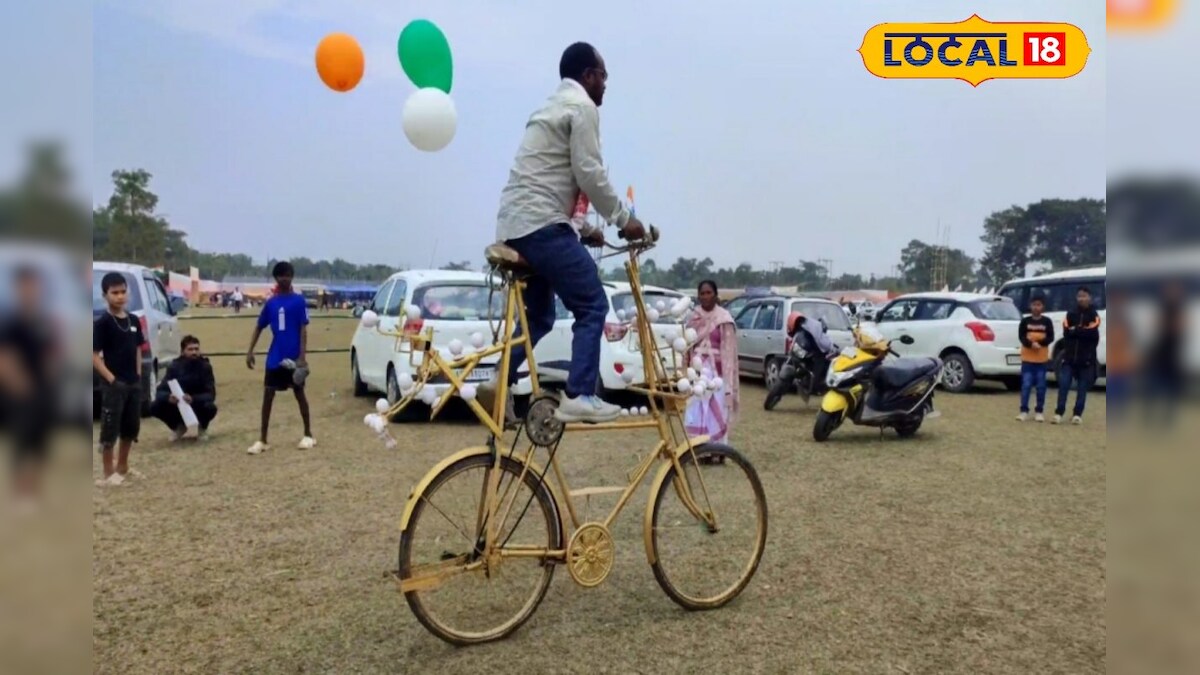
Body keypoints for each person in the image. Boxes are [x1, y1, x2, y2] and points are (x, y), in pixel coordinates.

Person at [491, 41, 647, 423]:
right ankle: (579, 394)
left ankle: (499, 378)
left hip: (517, 225)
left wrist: (587, 230)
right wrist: (624, 219)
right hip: (541, 225)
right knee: (593, 303)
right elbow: (589, 173)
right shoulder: (583, 108)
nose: (606, 85)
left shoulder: (549, 107)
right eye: (604, 77)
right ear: (589, 76)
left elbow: (552, 179)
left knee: (540, 318)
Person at [0, 265, 57, 505]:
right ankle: (20, 492)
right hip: (19, 391)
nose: (30, 290)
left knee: (40, 442)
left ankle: (34, 490)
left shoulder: (43, 320)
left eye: (34, 285)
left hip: (43, 389)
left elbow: (52, 351)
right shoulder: (11, 322)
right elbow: (4, 356)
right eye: (25, 285)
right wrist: (19, 385)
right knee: (21, 441)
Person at [245, 261, 315, 454]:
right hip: (275, 357)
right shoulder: (271, 303)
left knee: (299, 394)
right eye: (281, 275)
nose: (285, 278)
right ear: (276, 278)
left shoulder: (299, 301)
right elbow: (259, 326)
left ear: (292, 277)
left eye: (288, 275)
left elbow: (303, 329)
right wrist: (250, 351)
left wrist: (302, 356)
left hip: (293, 357)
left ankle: (308, 434)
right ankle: (263, 439)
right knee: (268, 396)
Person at [92, 272, 146, 486]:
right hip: (114, 383)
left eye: (123, 292)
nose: (120, 296)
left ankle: (123, 466)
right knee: (110, 427)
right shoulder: (103, 323)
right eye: (114, 293)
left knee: (130, 427)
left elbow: (138, 349)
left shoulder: (133, 321)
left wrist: (138, 374)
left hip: (133, 382)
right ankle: (107, 473)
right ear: (105, 295)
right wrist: (111, 379)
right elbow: (94, 356)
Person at [684, 280, 740, 463]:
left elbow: (729, 351)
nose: (706, 296)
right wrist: (685, 370)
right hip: (697, 372)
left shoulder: (724, 319)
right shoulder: (694, 318)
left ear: (715, 295)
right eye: (702, 293)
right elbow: (686, 346)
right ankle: (698, 451)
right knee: (697, 411)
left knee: (716, 412)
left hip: (717, 374)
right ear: (698, 296)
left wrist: (729, 381)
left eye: (709, 293)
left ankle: (718, 451)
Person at [150, 335, 218, 441]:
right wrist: (168, 397)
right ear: (182, 351)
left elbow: (211, 394)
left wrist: (193, 399)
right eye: (190, 349)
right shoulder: (174, 367)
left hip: (197, 404)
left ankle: (203, 427)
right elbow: (160, 391)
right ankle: (178, 426)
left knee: (210, 407)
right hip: (178, 406)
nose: (194, 352)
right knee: (154, 406)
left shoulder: (205, 367)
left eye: (196, 349)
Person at [1054, 286, 1101, 425]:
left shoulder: (1094, 315)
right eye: (1079, 296)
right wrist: (1078, 331)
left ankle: (1077, 414)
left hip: (1086, 359)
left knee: (1082, 388)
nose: (1082, 298)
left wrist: (1077, 331)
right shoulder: (1070, 313)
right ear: (1076, 298)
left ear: (1090, 297)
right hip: (1069, 358)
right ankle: (1059, 412)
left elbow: (1092, 333)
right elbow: (1066, 332)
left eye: (1084, 296)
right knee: (1063, 385)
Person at [1015, 294, 1055, 422]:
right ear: (1030, 306)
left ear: (1043, 306)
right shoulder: (1025, 321)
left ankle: (1039, 411)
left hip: (1041, 360)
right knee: (1026, 385)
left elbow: (1051, 337)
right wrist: (1030, 343)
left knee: (1041, 386)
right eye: (1034, 305)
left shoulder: (1047, 321)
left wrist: (1040, 343)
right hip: (1027, 359)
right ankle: (1023, 410)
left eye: (1039, 305)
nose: (1036, 307)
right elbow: (1021, 336)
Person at [789, 311, 839, 401]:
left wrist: (831, 348)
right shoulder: (803, 331)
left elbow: (827, 344)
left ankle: (814, 387)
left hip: (819, 355)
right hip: (807, 352)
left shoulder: (819, 333)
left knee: (819, 366)